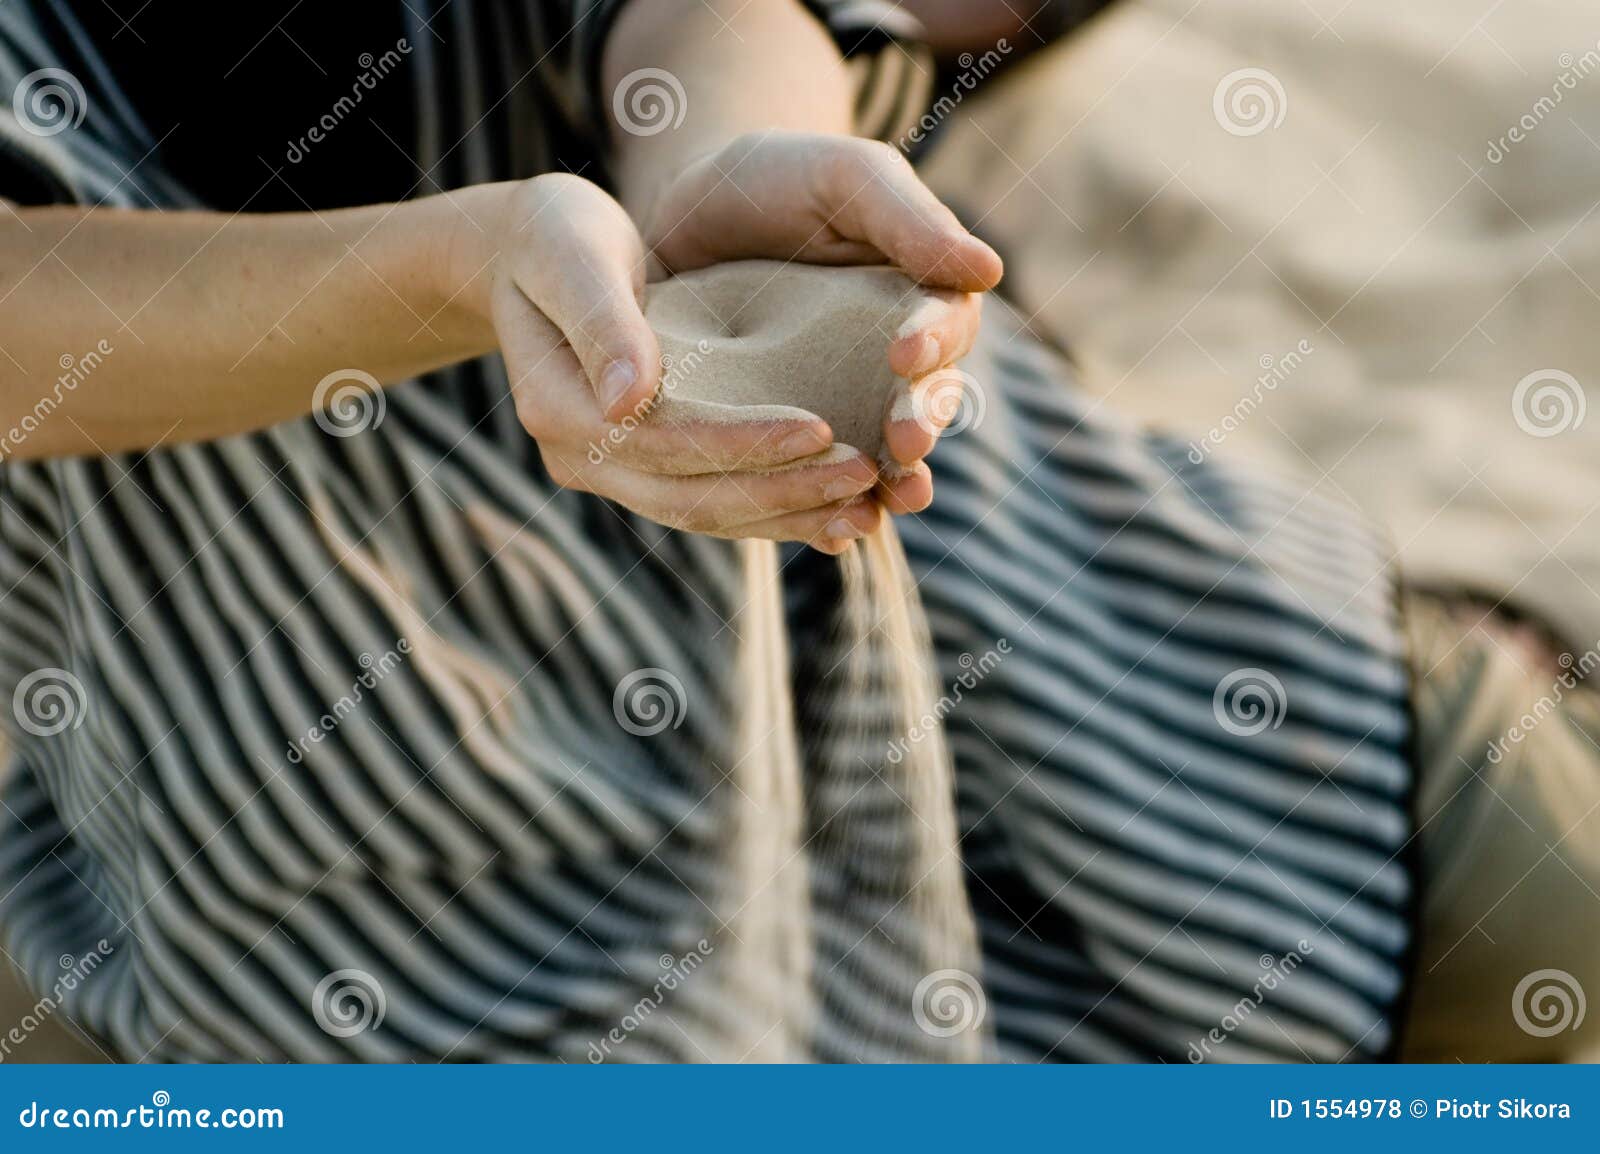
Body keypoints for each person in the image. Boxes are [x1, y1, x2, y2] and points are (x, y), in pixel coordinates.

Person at [0, 1, 1413, 1061]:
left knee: (1531, 899)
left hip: (1062, 626)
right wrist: (468, 266)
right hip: (401, 864)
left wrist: (727, 167)